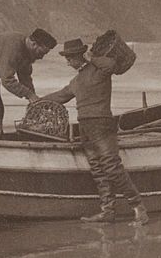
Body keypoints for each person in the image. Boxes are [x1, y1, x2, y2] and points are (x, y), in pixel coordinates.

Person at [42, 38, 149, 226]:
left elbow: (112, 63)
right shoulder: (76, 80)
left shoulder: (101, 71)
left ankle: (139, 209)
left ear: (78, 56)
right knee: (98, 170)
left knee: (112, 168)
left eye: (69, 58)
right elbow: (61, 95)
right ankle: (107, 211)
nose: (67, 63)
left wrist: (91, 56)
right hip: (86, 128)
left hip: (102, 126)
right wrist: (39, 101)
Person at [0, 29, 57, 139]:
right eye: (41, 53)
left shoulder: (28, 52)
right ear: (33, 44)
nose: (41, 57)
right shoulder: (13, 48)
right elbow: (7, 81)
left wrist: (33, 100)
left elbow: (25, 77)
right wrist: (30, 95)